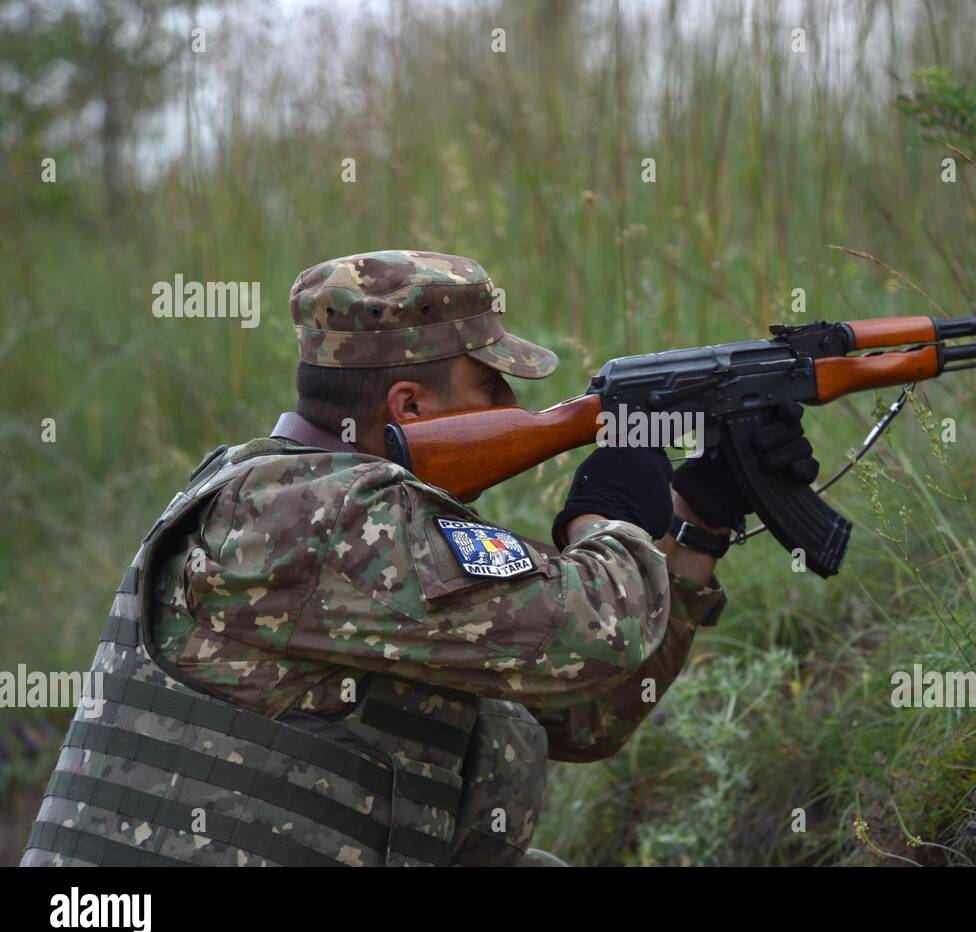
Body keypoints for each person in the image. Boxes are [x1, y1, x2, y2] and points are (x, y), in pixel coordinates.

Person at [21, 250, 817, 867]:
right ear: (410, 405)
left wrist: (696, 524)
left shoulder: (322, 514)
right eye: (492, 386)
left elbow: (580, 712)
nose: (513, 411)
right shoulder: (310, 515)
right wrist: (606, 514)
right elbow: (595, 633)